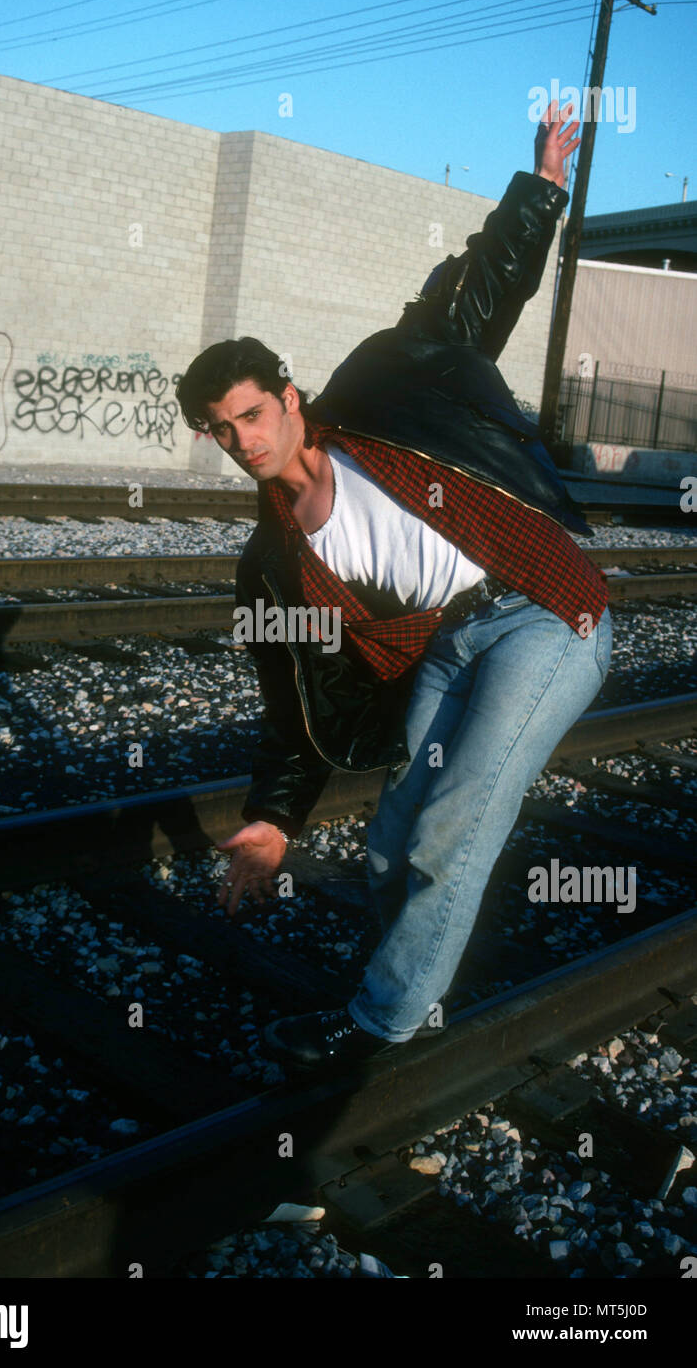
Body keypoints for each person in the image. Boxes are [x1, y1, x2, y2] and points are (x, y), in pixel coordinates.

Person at [174, 100, 612, 1072]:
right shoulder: (271, 563)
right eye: (223, 429)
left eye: (254, 413)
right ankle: (412, 996)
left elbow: (471, 303)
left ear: (288, 398)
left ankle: (374, 1032)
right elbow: (292, 705)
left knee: (458, 816)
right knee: (392, 836)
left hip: (545, 606)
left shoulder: (379, 388)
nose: (245, 440)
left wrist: (539, 186)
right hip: (455, 641)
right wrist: (274, 817)